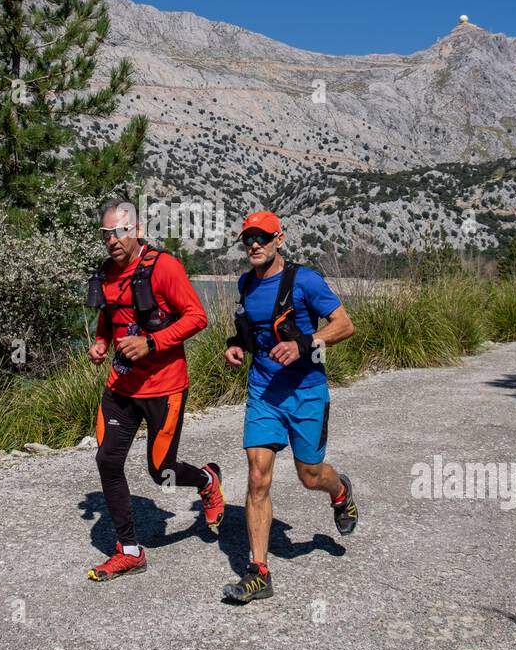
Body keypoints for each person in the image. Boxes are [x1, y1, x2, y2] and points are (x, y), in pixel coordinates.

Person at [84, 199, 225, 582]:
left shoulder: (163, 267)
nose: (113, 240)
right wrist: (101, 343)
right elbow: (109, 315)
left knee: (161, 469)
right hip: (122, 386)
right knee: (107, 461)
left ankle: (207, 481)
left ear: (138, 230)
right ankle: (129, 550)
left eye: (120, 230)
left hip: (165, 387)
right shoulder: (107, 273)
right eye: (107, 233)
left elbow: (198, 316)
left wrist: (151, 342)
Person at [221, 211, 358, 603]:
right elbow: (252, 331)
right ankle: (258, 571)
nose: (254, 244)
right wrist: (236, 345)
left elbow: (345, 325)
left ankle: (340, 491)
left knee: (310, 474)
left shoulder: (305, 280)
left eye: (262, 237)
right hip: (264, 392)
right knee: (257, 477)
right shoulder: (246, 283)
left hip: (307, 391)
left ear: (279, 239)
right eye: (248, 238)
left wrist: (305, 343)